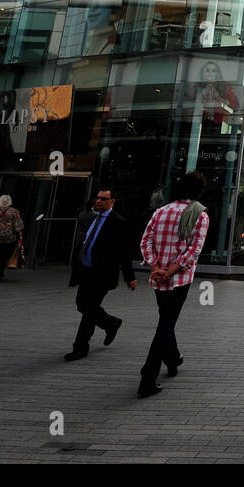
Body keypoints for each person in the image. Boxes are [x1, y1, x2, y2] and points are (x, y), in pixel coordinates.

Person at [137, 170, 209, 398]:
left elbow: (145, 241)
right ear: (198, 192)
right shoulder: (200, 215)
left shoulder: (161, 211)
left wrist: (155, 267)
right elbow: (194, 251)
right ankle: (148, 376)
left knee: (166, 318)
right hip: (179, 279)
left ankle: (173, 357)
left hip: (158, 278)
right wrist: (172, 271)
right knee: (166, 324)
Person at [64, 187, 137, 362]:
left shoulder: (117, 222)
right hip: (85, 271)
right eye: (98, 198)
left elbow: (124, 252)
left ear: (112, 202)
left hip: (102, 274)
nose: (99, 201)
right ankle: (110, 323)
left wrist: (130, 276)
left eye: (104, 199)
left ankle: (80, 346)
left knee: (89, 309)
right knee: (82, 304)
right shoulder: (90, 218)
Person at [0, 195, 24, 283]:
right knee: (4, 257)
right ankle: (0, 273)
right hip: (8, 238)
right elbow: (19, 226)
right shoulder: (14, 212)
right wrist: (19, 235)